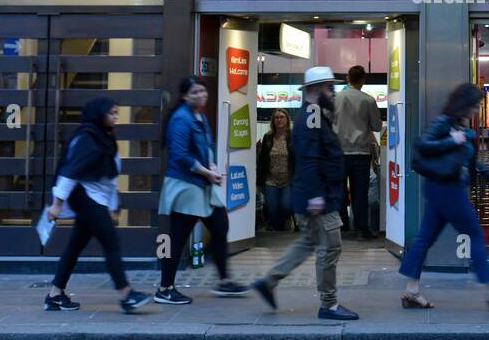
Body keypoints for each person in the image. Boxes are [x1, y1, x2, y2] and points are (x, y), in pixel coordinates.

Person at [251, 66, 359, 320]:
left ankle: (268, 282)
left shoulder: (316, 114)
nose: (333, 92)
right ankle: (329, 304)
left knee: (309, 242)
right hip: (317, 196)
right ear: (313, 90)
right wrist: (316, 195)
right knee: (330, 247)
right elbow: (309, 159)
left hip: (314, 194)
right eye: (328, 87)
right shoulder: (311, 115)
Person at [44, 97, 153, 313]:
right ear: (99, 113)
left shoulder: (104, 137)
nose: (115, 117)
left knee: (75, 245)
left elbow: (110, 178)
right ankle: (125, 294)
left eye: (116, 113)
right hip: (85, 197)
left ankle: (55, 294)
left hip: (97, 198)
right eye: (111, 113)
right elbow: (69, 173)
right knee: (110, 242)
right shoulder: (87, 138)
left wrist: (113, 205)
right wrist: (56, 205)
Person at [400, 83, 489, 308]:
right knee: (475, 234)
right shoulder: (444, 123)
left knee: (426, 238)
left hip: (441, 188)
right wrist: (451, 141)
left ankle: (412, 289)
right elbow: (422, 144)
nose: (476, 111)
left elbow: (465, 159)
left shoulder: (460, 125)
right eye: (474, 106)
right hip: (448, 189)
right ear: (464, 105)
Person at [154, 76, 249, 305]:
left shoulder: (199, 116)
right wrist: (207, 172)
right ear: (185, 96)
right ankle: (165, 288)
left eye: (202, 91)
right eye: (194, 92)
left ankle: (224, 280)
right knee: (176, 238)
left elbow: (205, 148)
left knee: (220, 226)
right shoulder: (181, 119)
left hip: (201, 184)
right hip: (187, 186)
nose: (200, 95)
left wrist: (213, 166)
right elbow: (180, 155)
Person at [333, 64, 382, 239]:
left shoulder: (336, 98)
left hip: (338, 153)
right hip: (361, 153)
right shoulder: (368, 100)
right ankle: (362, 229)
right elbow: (376, 126)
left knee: (339, 191)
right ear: (363, 79)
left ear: (348, 78)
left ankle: (341, 227)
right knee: (360, 193)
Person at [256, 109, 295, 233]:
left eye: (282, 117)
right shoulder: (268, 137)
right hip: (270, 180)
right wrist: (259, 181)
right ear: (273, 120)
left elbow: (297, 158)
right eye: (276, 117)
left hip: (288, 180)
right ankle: (278, 233)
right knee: (272, 209)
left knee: (286, 206)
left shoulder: (293, 136)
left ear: (287, 120)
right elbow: (262, 160)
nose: (279, 120)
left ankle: (286, 224)